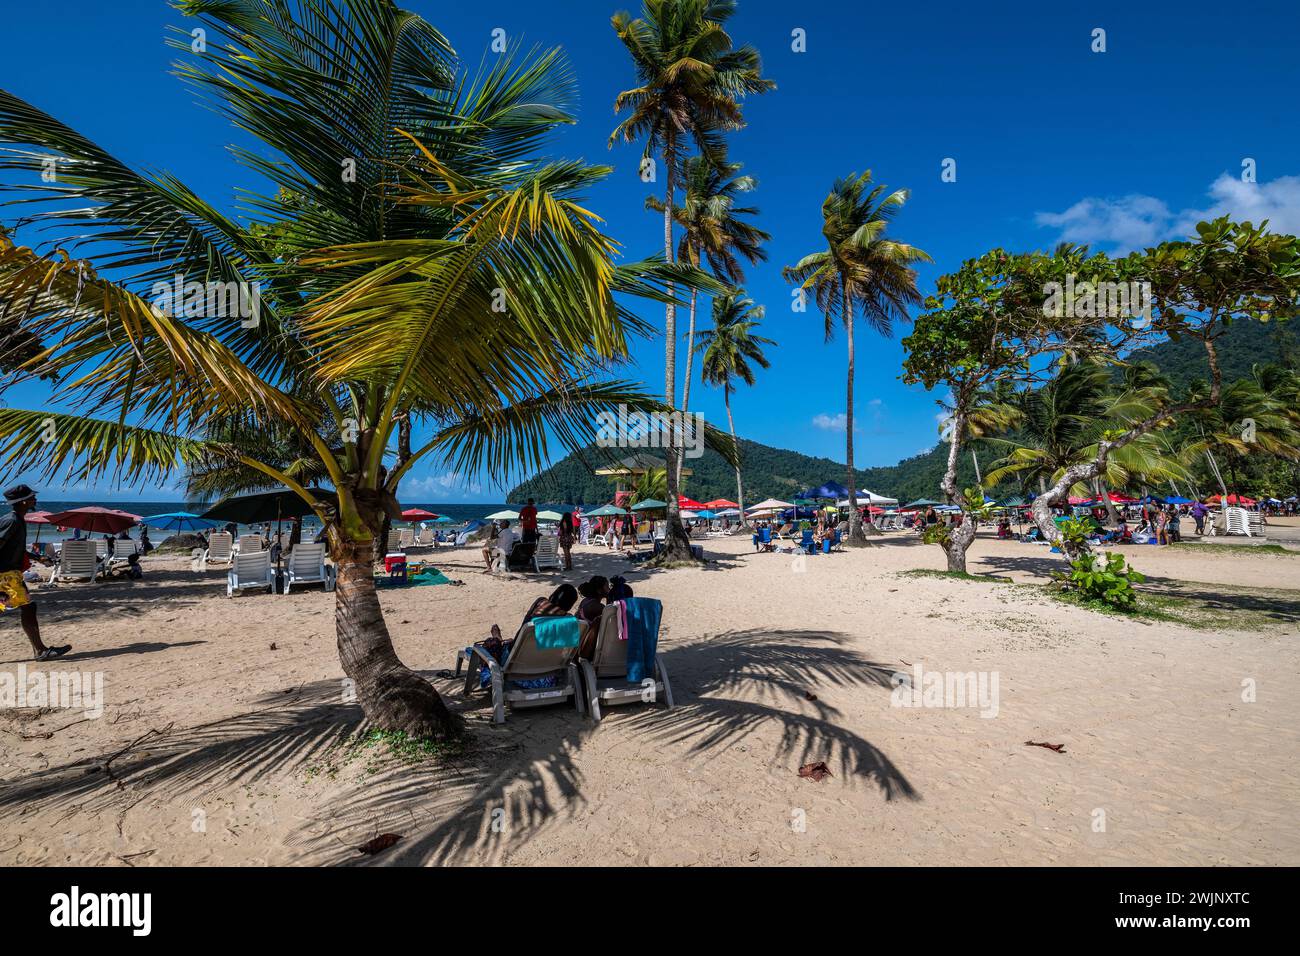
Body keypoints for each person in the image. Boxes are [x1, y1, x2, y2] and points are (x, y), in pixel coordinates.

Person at [0, 485, 70, 662]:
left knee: (27, 608)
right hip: (5, 575)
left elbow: (15, 548)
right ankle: (40, 651)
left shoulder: (17, 519)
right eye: (32, 497)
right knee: (28, 607)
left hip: (10, 573)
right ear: (23, 501)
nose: (35, 500)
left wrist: (38, 558)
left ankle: (40, 651)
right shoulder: (12, 521)